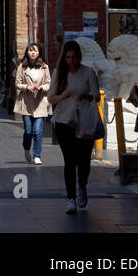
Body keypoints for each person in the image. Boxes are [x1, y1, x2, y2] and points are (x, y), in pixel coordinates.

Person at [49, 40, 101, 214]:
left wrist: (85, 96)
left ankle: (82, 186)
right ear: (64, 57)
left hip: (84, 123)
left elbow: (97, 96)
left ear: (79, 56)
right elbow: (50, 98)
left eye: (74, 57)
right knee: (69, 161)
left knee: (84, 161)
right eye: (68, 57)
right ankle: (71, 198)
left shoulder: (88, 72)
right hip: (64, 122)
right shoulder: (59, 73)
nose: (71, 60)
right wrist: (63, 95)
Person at [13, 42, 52, 164]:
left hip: (40, 102)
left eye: (35, 50)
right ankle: (26, 148)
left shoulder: (45, 67)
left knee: (38, 131)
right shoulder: (22, 67)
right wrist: (26, 87)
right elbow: (17, 83)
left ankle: (37, 155)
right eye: (30, 50)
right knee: (29, 131)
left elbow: (48, 83)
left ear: (39, 52)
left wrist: (42, 88)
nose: (33, 52)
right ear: (27, 52)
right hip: (26, 102)